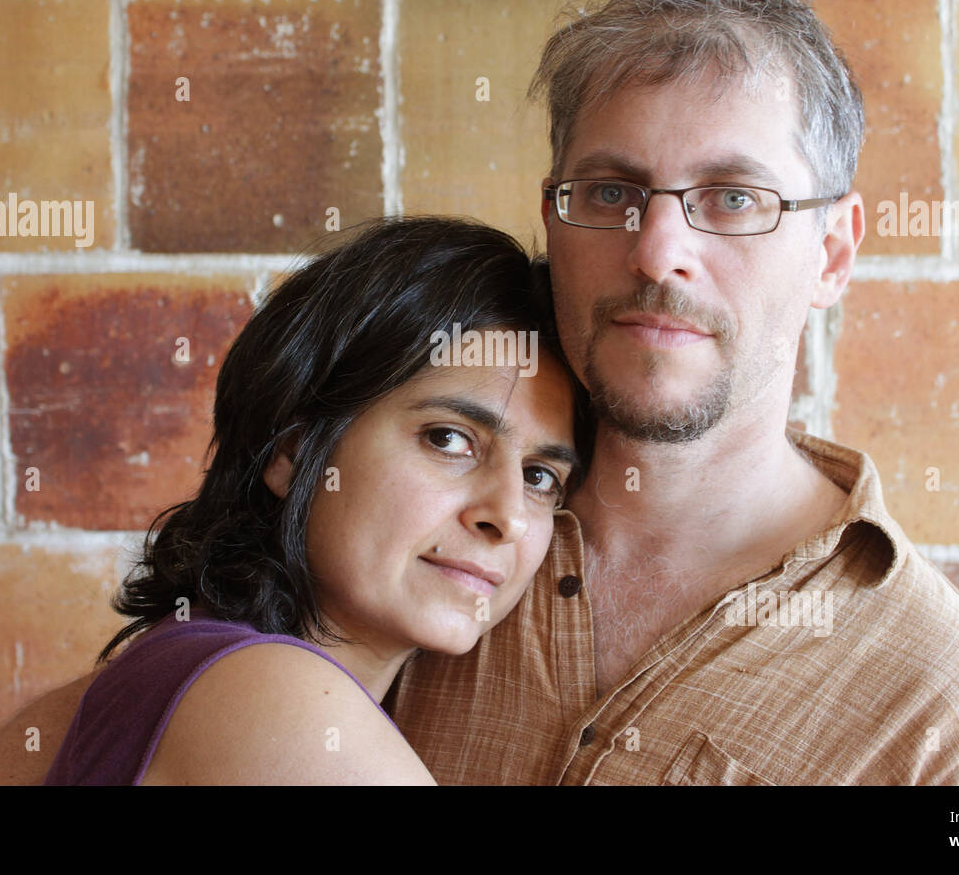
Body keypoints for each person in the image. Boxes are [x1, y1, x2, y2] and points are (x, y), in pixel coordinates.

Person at [0, 0, 959, 786]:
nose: (658, 249)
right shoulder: (412, 574)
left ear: (835, 250)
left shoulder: (932, 697)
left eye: (732, 197)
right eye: (611, 191)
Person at [32, 215, 586, 784]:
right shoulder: (280, 710)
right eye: (447, 439)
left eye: (541, 476)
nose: (509, 515)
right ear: (293, 452)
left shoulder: (130, 684)